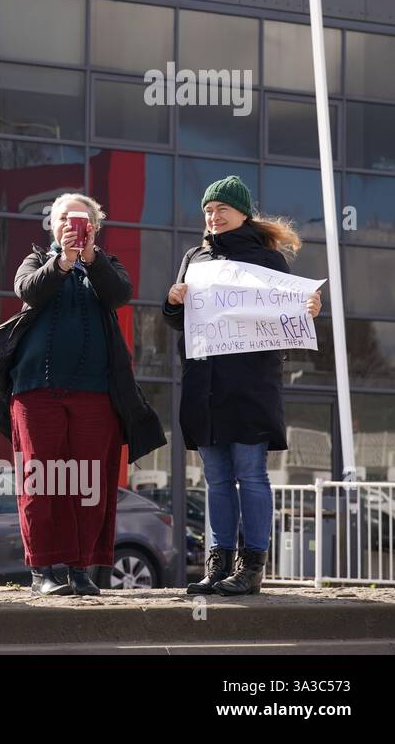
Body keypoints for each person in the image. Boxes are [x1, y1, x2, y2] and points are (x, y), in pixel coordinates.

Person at [165, 176, 322, 596]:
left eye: (222, 210)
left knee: (250, 474)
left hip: (250, 385)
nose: (213, 217)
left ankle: (251, 566)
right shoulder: (193, 257)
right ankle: (217, 565)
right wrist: (173, 300)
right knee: (215, 477)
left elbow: (290, 318)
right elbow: (177, 321)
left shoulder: (267, 261)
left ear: (243, 214)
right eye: (208, 211)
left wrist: (308, 309)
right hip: (205, 383)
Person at [4, 194, 165, 596]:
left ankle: (80, 570)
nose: (71, 226)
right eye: (64, 219)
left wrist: (90, 257)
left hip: (95, 396)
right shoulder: (36, 260)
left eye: (81, 221)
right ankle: (43, 571)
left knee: (88, 484)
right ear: (52, 225)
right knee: (40, 480)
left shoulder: (106, 266)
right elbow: (28, 290)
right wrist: (61, 264)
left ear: (94, 227)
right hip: (36, 392)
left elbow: (119, 294)